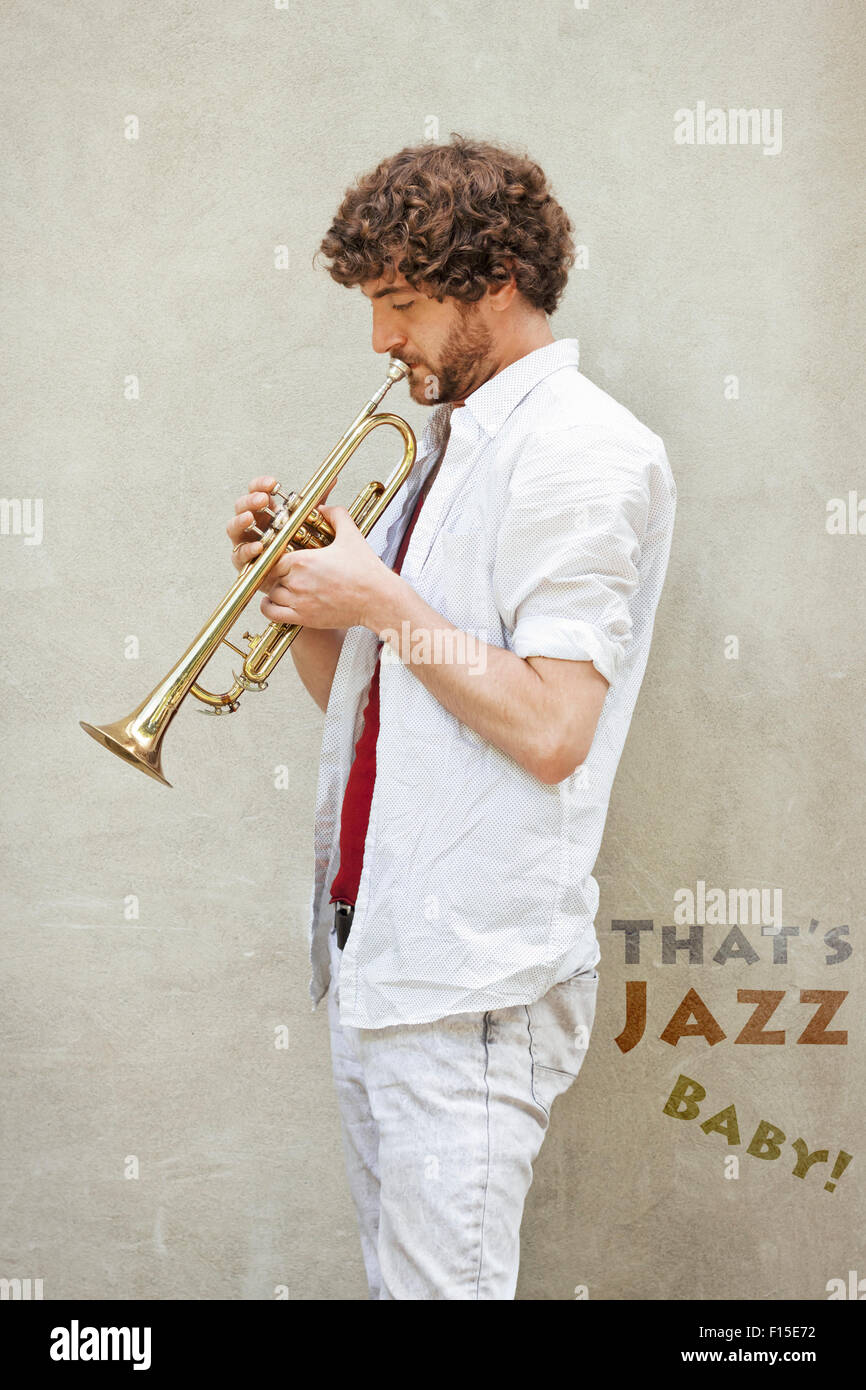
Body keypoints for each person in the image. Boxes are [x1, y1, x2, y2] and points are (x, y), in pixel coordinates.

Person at [226, 136, 677, 1300]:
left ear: (498, 280)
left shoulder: (580, 453)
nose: (382, 340)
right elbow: (393, 717)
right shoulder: (447, 453)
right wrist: (311, 606)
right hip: (381, 953)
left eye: (402, 303)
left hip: (471, 983)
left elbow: (547, 730)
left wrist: (379, 594)